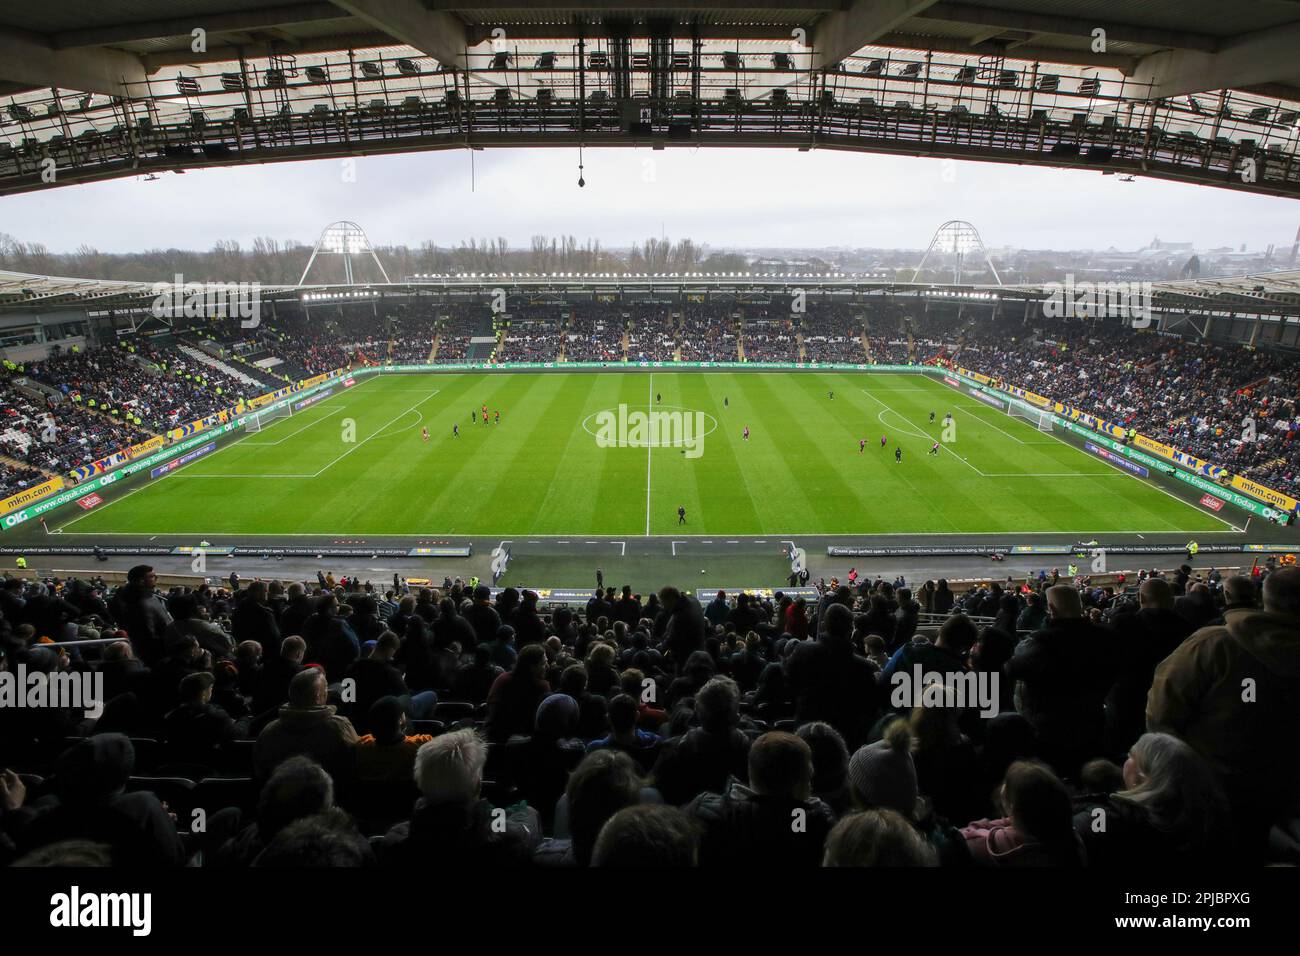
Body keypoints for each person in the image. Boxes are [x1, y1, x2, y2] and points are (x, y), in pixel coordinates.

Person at [1147, 566, 1300, 858]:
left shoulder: (1213, 643)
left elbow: (1160, 713)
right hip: (1281, 791)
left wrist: (1172, 775)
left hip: (1211, 786)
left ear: (1263, 598)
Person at [1073, 732, 1233, 867]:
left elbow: (1063, 841)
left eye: (1130, 757)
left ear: (1143, 779)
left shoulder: (1107, 819)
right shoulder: (1203, 828)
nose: (1124, 762)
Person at [687, 731, 835, 868]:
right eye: (808, 777)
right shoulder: (819, 822)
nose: (811, 785)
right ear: (798, 785)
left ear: (752, 773)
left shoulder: (705, 812)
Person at [254, 667, 359, 781]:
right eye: (326, 689)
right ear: (318, 696)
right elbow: (357, 762)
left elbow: (260, 770)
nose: (328, 693)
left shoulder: (269, 731)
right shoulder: (340, 727)